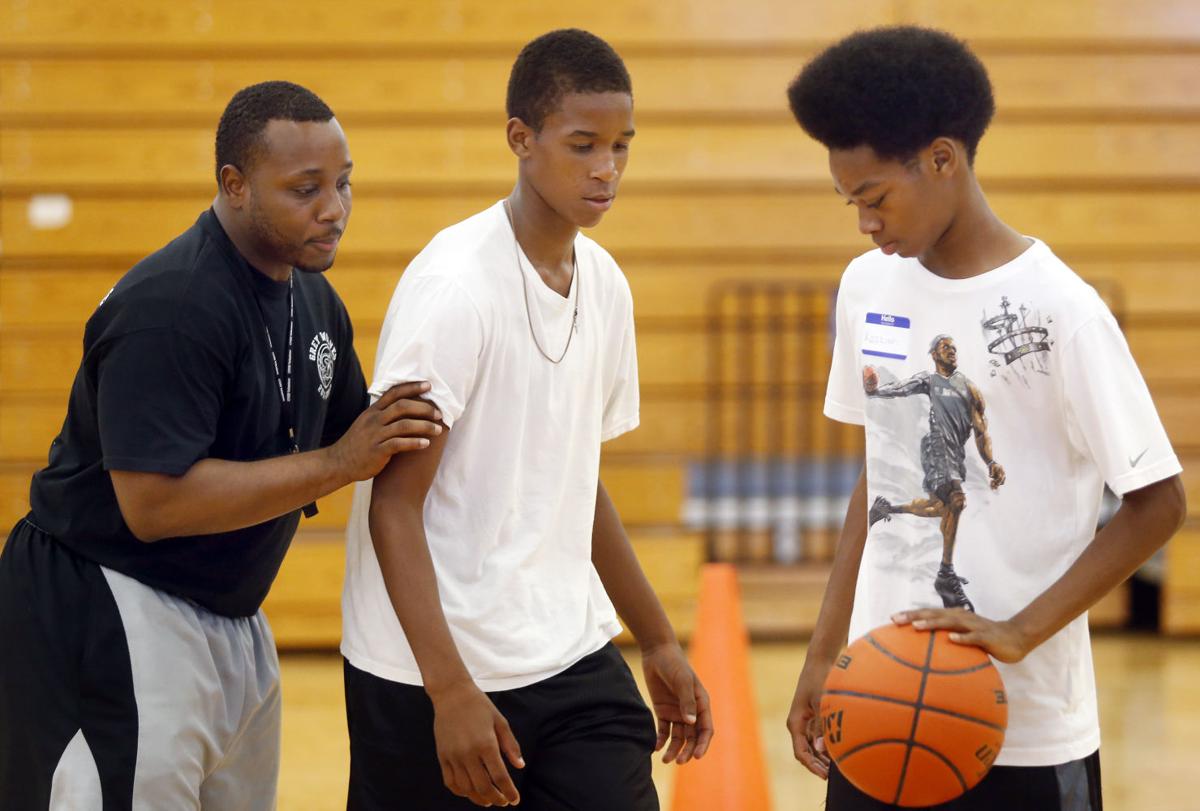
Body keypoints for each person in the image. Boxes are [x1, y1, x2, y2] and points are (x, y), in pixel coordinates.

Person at [0, 81, 440, 810]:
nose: (334, 208)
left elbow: (361, 438)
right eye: (306, 189)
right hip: (111, 601)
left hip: (231, 612)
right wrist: (339, 463)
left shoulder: (312, 297)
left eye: (343, 183)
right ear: (234, 185)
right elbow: (154, 503)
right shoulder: (172, 307)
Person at [782, 26, 1186, 810]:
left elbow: (1159, 503)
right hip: (878, 701)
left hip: (1027, 729)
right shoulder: (867, 287)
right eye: (850, 202)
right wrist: (823, 654)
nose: (864, 222)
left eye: (874, 198)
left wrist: (1020, 629)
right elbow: (879, 476)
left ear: (943, 159)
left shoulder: (1062, 310)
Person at [340, 29, 713, 810]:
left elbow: (577, 481)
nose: (607, 169)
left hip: (567, 652)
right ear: (521, 138)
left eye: (621, 146)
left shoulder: (606, 284)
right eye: (583, 146)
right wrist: (449, 691)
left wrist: (659, 637)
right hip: (430, 672)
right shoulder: (456, 290)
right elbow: (394, 506)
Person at [864, 333, 1006, 610]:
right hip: (936, 447)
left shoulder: (969, 388)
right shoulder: (929, 380)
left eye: (954, 347)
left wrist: (991, 463)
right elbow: (901, 388)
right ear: (934, 354)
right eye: (945, 347)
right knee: (957, 501)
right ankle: (945, 574)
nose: (952, 351)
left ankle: (887, 509)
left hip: (955, 453)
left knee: (941, 508)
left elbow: (981, 431)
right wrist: (875, 391)